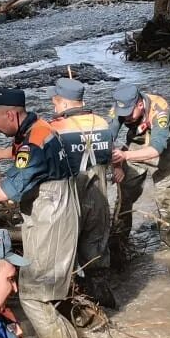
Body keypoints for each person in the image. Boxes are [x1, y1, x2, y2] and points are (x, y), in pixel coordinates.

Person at [0, 88, 81, 338]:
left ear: (11, 114)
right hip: (56, 208)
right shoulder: (39, 129)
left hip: (52, 213)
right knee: (50, 289)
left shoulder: (33, 142)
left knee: (34, 295)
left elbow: (7, 190)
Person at [47, 77, 116, 307]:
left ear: (64, 104)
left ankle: (74, 309)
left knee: (66, 259)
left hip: (70, 205)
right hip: (99, 201)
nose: (54, 108)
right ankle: (107, 310)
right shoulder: (102, 123)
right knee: (97, 258)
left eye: (55, 104)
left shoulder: (54, 128)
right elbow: (109, 158)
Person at [108, 83, 170, 252]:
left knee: (166, 203)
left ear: (140, 105)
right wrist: (117, 166)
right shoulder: (120, 107)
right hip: (136, 143)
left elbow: (156, 150)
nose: (125, 118)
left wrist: (124, 156)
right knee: (124, 196)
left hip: (165, 150)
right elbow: (107, 139)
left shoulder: (160, 108)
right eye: (122, 115)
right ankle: (119, 244)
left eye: (129, 114)